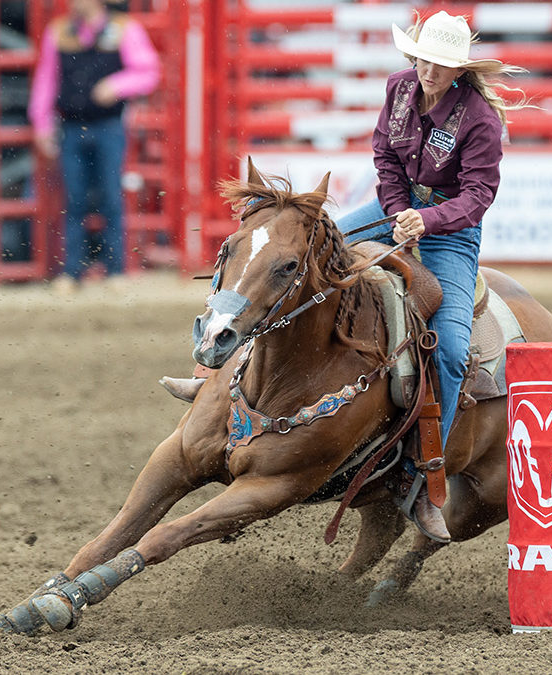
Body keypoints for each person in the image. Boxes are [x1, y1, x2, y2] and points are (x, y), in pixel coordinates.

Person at [164, 11, 523, 543]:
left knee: (449, 349)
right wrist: (400, 212)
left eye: (441, 64)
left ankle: (425, 478)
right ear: (414, 57)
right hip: (390, 208)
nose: (428, 70)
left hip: (449, 233)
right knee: (294, 256)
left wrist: (425, 221)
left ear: (458, 71)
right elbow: (385, 157)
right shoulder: (400, 90)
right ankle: (215, 376)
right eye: (423, 58)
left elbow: (477, 196)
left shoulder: (479, 121)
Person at [29, 0, 159, 293]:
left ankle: (115, 270)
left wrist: (117, 85)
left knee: (111, 198)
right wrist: (42, 123)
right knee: (74, 200)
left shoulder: (124, 29)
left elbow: (149, 72)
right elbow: (46, 81)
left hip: (109, 127)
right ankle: (72, 271)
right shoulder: (59, 31)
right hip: (72, 127)